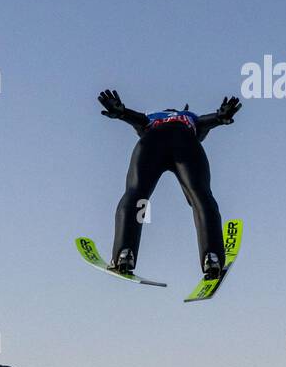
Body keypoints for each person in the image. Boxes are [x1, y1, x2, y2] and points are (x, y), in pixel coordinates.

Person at [98, 89, 242, 278]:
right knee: (200, 196)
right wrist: (220, 117)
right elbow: (205, 123)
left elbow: (137, 119)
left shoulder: (152, 118)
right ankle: (212, 256)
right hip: (186, 143)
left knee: (136, 195)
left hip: (151, 143)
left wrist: (122, 112)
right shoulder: (189, 118)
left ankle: (124, 253)